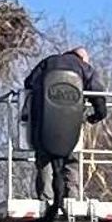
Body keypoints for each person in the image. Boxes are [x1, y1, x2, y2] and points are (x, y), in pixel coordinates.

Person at [23, 47, 107, 201]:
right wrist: (99, 113)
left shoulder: (48, 62)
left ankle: (45, 197)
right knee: (72, 159)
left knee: (44, 159)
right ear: (82, 58)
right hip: (71, 125)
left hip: (43, 123)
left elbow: (28, 82)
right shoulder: (84, 68)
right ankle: (72, 197)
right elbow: (96, 91)